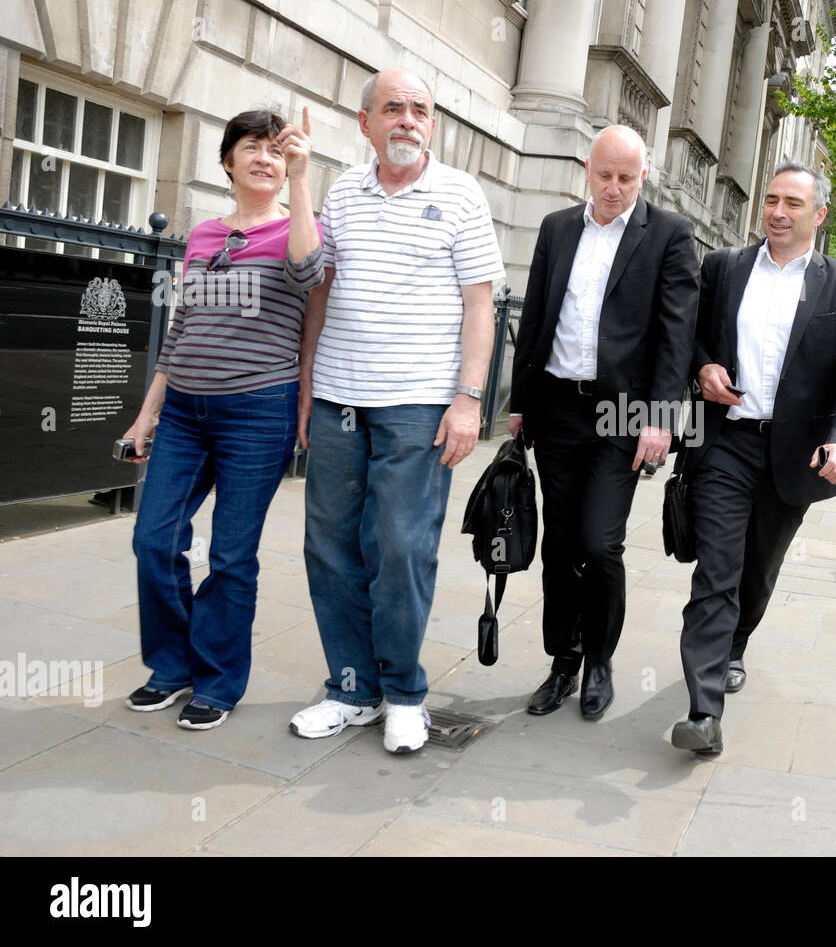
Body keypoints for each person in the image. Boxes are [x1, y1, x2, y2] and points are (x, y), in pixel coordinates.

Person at [289, 69, 504, 753]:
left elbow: (480, 305)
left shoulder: (462, 195)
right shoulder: (344, 192)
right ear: (365, 123)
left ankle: (404, 692)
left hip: (418, 404)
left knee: (401, 547)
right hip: (338, 396)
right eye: (394, 109)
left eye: (420, 110)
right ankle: (351, 689)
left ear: (431, 125)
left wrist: (468, 400)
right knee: (329, 546)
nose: (408, 120)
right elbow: (319, 291)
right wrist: (305, 381)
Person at [123, 108, 323, 730]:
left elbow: (309, 271)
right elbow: (180, 330)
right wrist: (145, 414)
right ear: (228, 161)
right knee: (153, 540)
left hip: (257, 412)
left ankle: (217, 680)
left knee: (232, 557)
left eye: (273, 148)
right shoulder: (204, 235)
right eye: (251, 147)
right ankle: (171, 667)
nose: (263, 157)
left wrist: (299, 177)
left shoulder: (297, 229)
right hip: (183, 410)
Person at [671, 161, 836, 755]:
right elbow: (692, 335)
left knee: (758, 569)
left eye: (792, 203)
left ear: (818, 215)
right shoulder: (724, 267)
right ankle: (702, 711)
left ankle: (735, 644)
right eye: (771, 200)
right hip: (726, 441)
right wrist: (703, 366)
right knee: (717, 569)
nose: (778, 213)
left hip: (794, 453)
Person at [508, 125, 698, 721]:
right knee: (560, 545)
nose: (614, 189)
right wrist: (520, 405)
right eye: (604, 176)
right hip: (558, 407)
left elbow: (676, 334)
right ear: (586, 170)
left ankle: (599, 660)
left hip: (623, 413)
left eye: (627, 178)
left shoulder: (668, 234)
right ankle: (561, 661)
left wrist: (662, 418)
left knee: (599, 541)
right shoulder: (557, 228)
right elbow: (536, 316)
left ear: (644, 176)